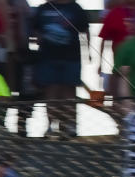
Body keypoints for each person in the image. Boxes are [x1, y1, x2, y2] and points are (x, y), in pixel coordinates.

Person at [32, 0, 90, 136]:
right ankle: (51, 126)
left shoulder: (76, 8)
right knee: (50, 93)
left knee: (69, 93)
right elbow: (35, 30)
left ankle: (69, 125)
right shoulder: (43, 8)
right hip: (47, 58)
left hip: (72, 58)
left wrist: (88, 54)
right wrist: (37, 39)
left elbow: (85, 32)